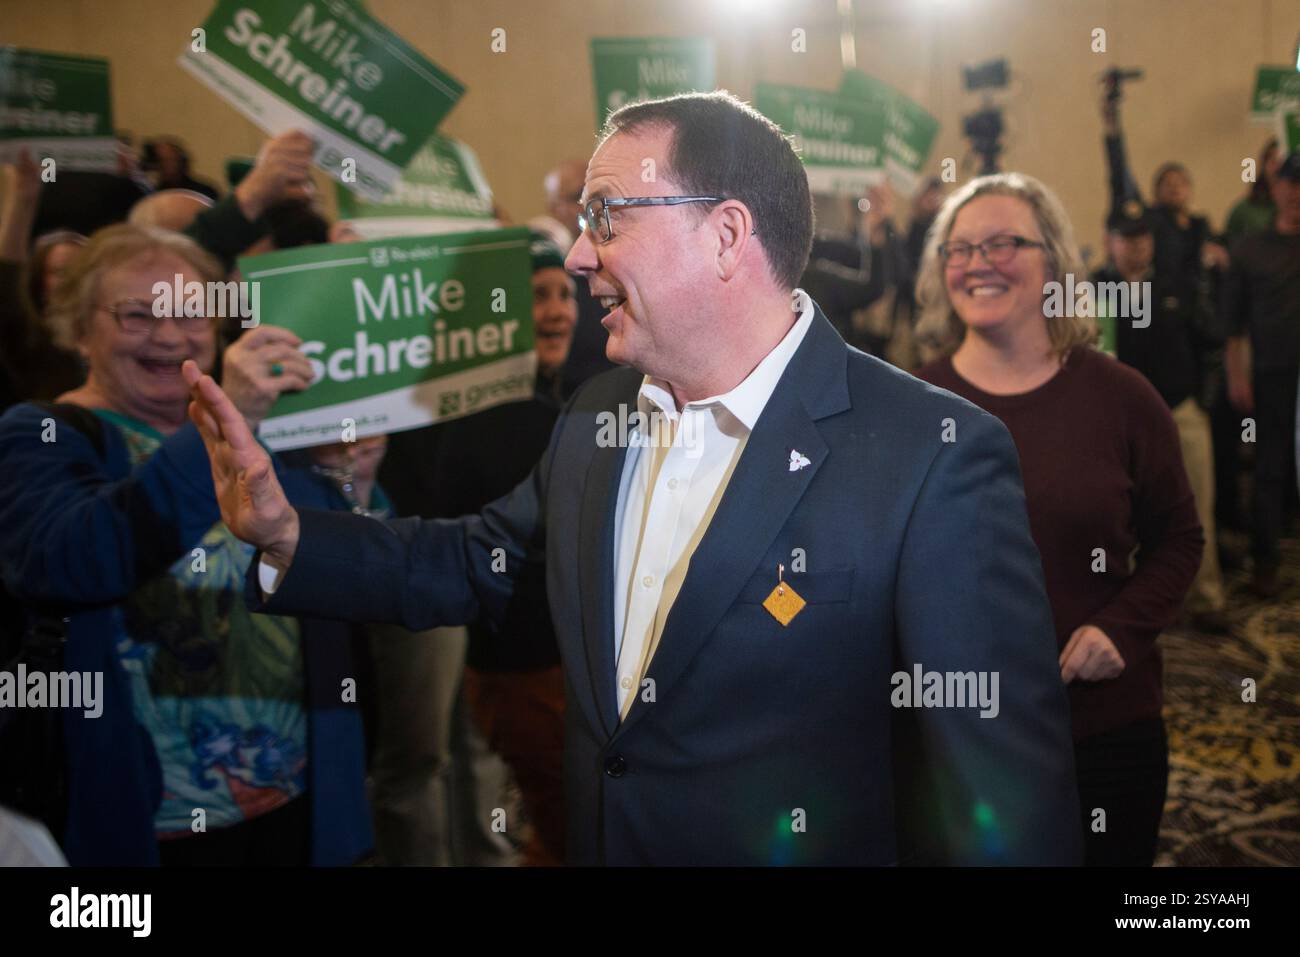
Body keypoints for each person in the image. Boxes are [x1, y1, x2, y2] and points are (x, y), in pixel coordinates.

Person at [184, 91, 1080, 866]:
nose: (578, 255)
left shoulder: (931, 453)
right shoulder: (594, 414)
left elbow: (1003, 791)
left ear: (726, 233)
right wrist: (288, 534)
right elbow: (477, 561)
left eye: (607, 216)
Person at [0, 224, 372, 866]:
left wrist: (354, 480)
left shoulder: (269, 431)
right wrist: (226, 424)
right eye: (137, 315)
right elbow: (73, 559)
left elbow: (352, 573)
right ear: (78, 328)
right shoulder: (43, 433)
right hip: (144, 820)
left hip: (296, 801)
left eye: (190, 313)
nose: (170, 335)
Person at [913, 172, 1203, 865]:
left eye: (1003, 243)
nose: (977, 261)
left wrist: (1121, 627)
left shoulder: (1122, 397)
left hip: (1104, 728)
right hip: (963, 733)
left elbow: (1180, 539)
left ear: (1056, 264)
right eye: (959, 248)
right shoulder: (914, 403)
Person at [421, 233, 577, 865]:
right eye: (539, 295)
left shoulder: (550, 405)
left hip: (544, 666)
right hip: (524, 667)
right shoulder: (491, 420)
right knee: (572, 828)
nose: (560, 310)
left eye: (567, 294)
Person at [1092, 202, 1228, 631]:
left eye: (1144, 237)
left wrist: (1203, 401)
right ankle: (1134, 604)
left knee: (1195, 508)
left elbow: (1211, 342)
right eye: (1128, 238)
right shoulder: (1091, 291)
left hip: (1181, 412)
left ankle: (1206, 598)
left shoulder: (1176, 284)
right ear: (1109, 242)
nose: (1137, 246)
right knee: (1122, 515)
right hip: (1119, 423)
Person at [1223, 150, 1300, 598]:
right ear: (1274, 188)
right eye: (1289, 185)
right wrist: (1237, 377)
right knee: (1269, 470)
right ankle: (1265, 564)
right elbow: (1232, 326)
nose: (1296, 195)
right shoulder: (1250, 249)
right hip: (1271, 376)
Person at [1225, 138, 1282, 242]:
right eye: (1274, 161)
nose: (1278, 167)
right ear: (1264, 165)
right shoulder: (1244, 210)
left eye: (1283, 161)